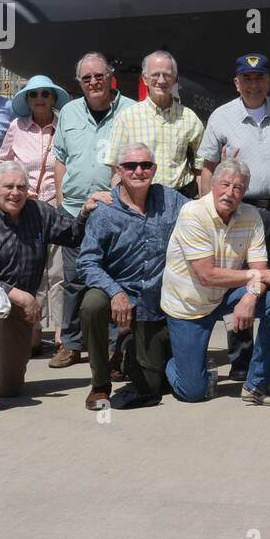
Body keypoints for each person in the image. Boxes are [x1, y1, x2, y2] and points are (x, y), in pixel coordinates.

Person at [0, 161, 101, 415]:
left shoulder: (40, 213)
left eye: (21, 187)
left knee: (13, 388)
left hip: (20, 301)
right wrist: (22, 296)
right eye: (8, 187)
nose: (15, 193)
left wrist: (84, 213)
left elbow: (71, 236)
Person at [161, 159, 270, 406]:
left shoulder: (250, 215)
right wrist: (257, 278)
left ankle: (257, 385)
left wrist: (251, 297)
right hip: (189, 305)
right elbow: (206, 275)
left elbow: (259, 270)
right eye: (225, 184)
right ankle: (167, 360)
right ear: (213, 185)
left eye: (238, 188)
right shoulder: (193, 213)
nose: (230, 193)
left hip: (224, 295)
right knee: (193, 392)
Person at [200, 52, 270, 379]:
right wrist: (212, 212)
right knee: (241, 285)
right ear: (237, 83)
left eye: (260, 78)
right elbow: (208, 168)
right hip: (238, 212)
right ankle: (241, 360)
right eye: (247, 79)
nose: (254, 84)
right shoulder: (221, 117)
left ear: (269, 81)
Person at [77, 143, 187, 409]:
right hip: (115, 288)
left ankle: (126, 347)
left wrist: (218, 176)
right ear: (119, 170)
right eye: (130, 166)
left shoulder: (171, 200)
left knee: (151, 386)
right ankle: (100, 383)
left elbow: (205, 213)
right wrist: (115, 292)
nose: (138, 171)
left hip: (153, 300)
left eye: (145, 165)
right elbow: (87, 262)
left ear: (155, 169)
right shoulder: (104, 209)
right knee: (92, 305)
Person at [49, 52, 132, 368]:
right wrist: (60, 202)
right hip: (74, 211)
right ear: (79, 83)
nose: (94, 82)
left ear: (111, 77)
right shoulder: (69, 112)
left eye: (99, 76)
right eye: (87, 78)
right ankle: (71, 344)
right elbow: (59, 158)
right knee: (74, 280)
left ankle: (113, 347)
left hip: (114, 213)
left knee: (111, 279)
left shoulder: (130, 111)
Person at [0, 73, 69, 355]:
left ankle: (61, 332)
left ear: (53, 98)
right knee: (31, 273)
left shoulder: (63, 126)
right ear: (27, 100)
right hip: (27, 210)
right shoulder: (17, 127)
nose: (40, 99)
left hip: (56, 207)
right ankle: (34, 330)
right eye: (34, 94)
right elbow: (1, 161)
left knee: (59, 273)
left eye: (45, 94)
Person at [104, 49, 204, 197]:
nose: (161, 80)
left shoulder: (191, 119)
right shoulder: (126, 118)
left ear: (175, 78)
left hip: (180, 201)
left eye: (167, 75)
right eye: (155, 75)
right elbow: (116, 170)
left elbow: (200, 170)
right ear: (144, 78)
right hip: (139, 201)